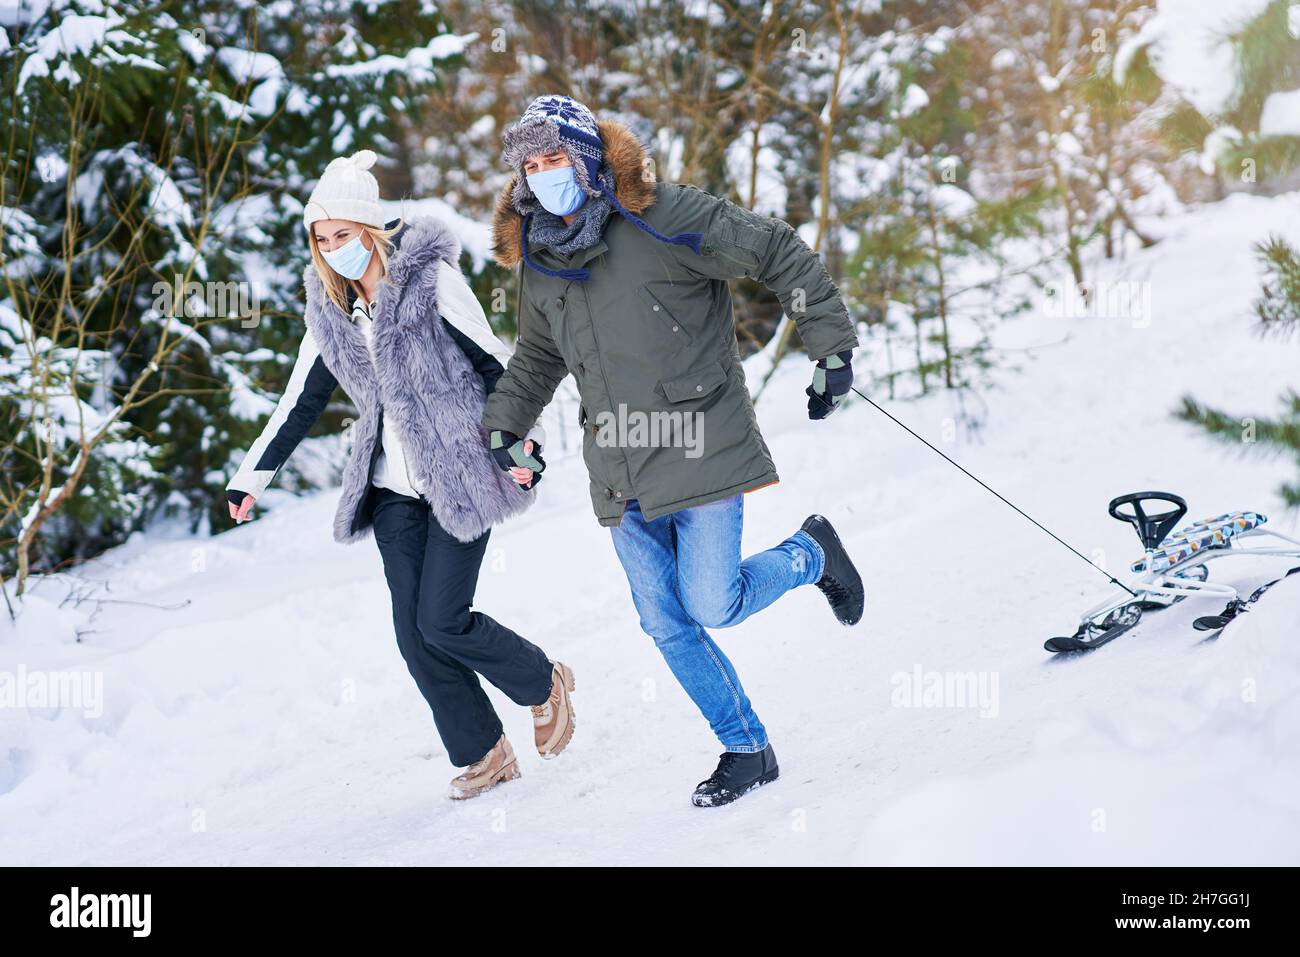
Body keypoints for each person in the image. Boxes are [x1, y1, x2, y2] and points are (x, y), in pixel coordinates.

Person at [480, 96, 864, 807]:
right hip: (619, 464)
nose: (542, 175)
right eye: (530, 165)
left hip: (700, 440)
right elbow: (538, 353)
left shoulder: (664, 215)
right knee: (664, 619)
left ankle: (810, 554)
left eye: (555, 157)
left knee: (713, 603)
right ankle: (746, 747)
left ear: (588, 157)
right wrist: (504, 427)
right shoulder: (539, 255)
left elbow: (775, 249)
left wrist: (830, 345)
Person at [225, 149, 575, 800]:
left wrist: (520, 450)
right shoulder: (331, 311)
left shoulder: (428, 283)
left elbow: (495, 366)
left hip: (461, 471)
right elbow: (300, 399)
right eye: (322, 240)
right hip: (391, 492)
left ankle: (542, 680)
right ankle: (485, 751)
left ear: (371, 229)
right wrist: (252, 477)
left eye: (344, 236)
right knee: (414, 636)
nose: (334, 251)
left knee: (444, 619)